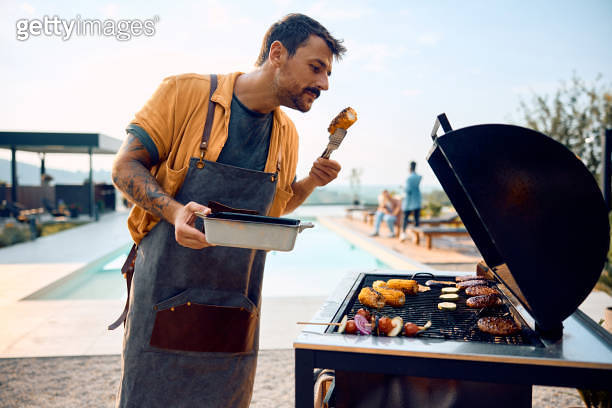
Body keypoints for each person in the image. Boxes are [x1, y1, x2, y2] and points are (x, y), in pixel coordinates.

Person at [110, 14, 346, 408]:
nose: (323, 84)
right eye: (316, 68)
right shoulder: (184, 94)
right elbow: (123, 167)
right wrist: (174, 212)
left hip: (236, 309)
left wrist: (309, 183)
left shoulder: (285, 134)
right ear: (277, 53)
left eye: (327, 74)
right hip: (162, 304)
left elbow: (273, 210)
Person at [400, 161, 422, 241]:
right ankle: (416, 236)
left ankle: (403, 234)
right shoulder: (419, 177)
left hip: (408, 201)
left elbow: (407, 189)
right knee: (416, 219)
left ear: (410, 168)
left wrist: (402, 188)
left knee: (405, 218)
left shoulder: (409, 178)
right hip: (417, 199)